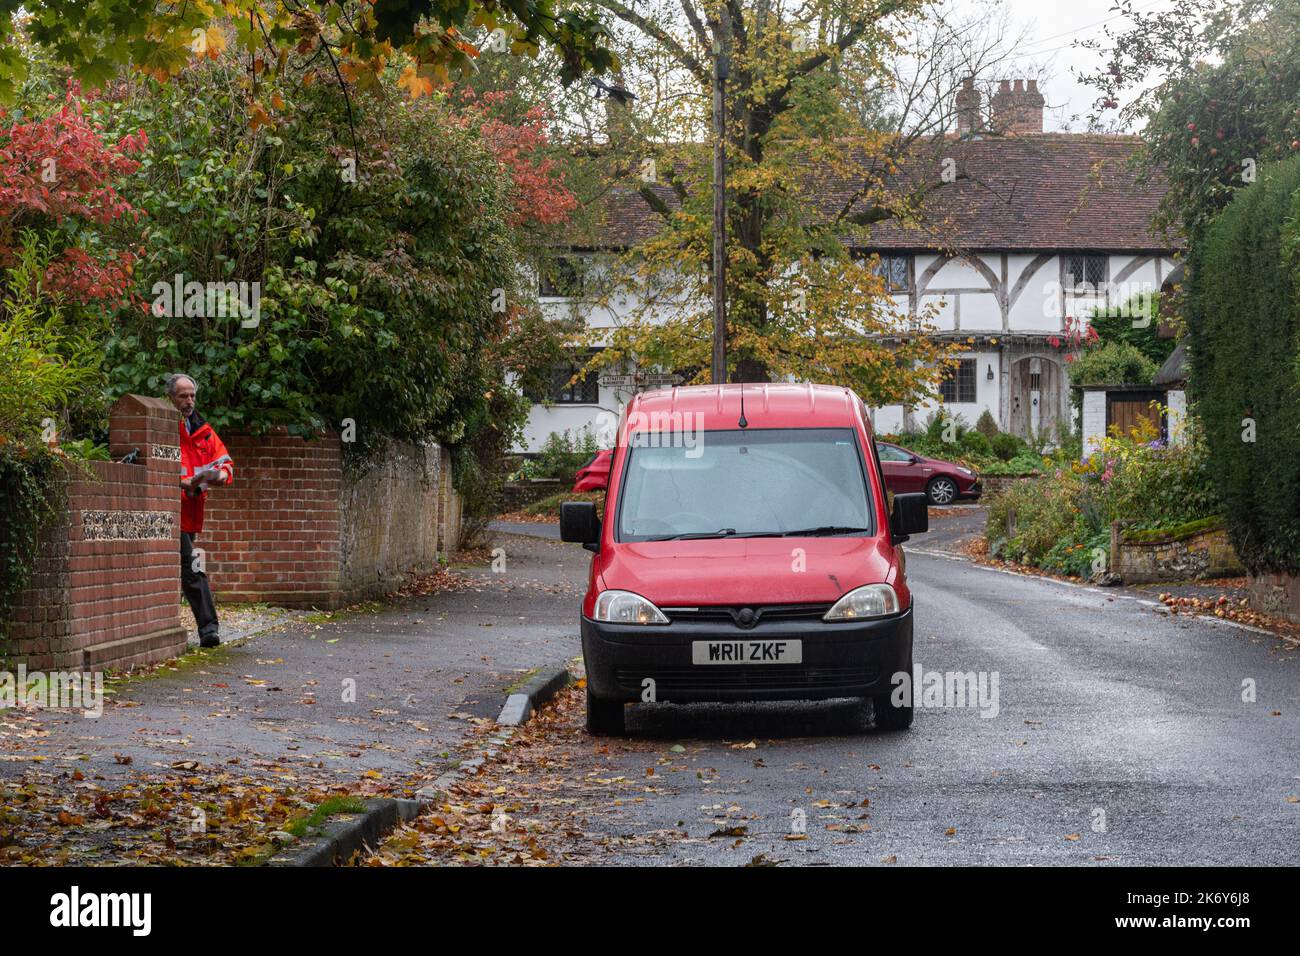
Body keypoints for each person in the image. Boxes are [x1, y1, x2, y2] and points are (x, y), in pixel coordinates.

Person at [166, 373, 234, 648]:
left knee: (185, 569)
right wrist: (181, 483)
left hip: (191, 511)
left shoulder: (203, 430)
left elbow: (226, 464)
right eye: (183, 396)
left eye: (192, 395)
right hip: (171, 511)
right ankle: (209, 629)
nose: (189, 401)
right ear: (170, 398)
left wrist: (217, 476)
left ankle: (196, 627)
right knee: (193, 568)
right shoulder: (165, 428)